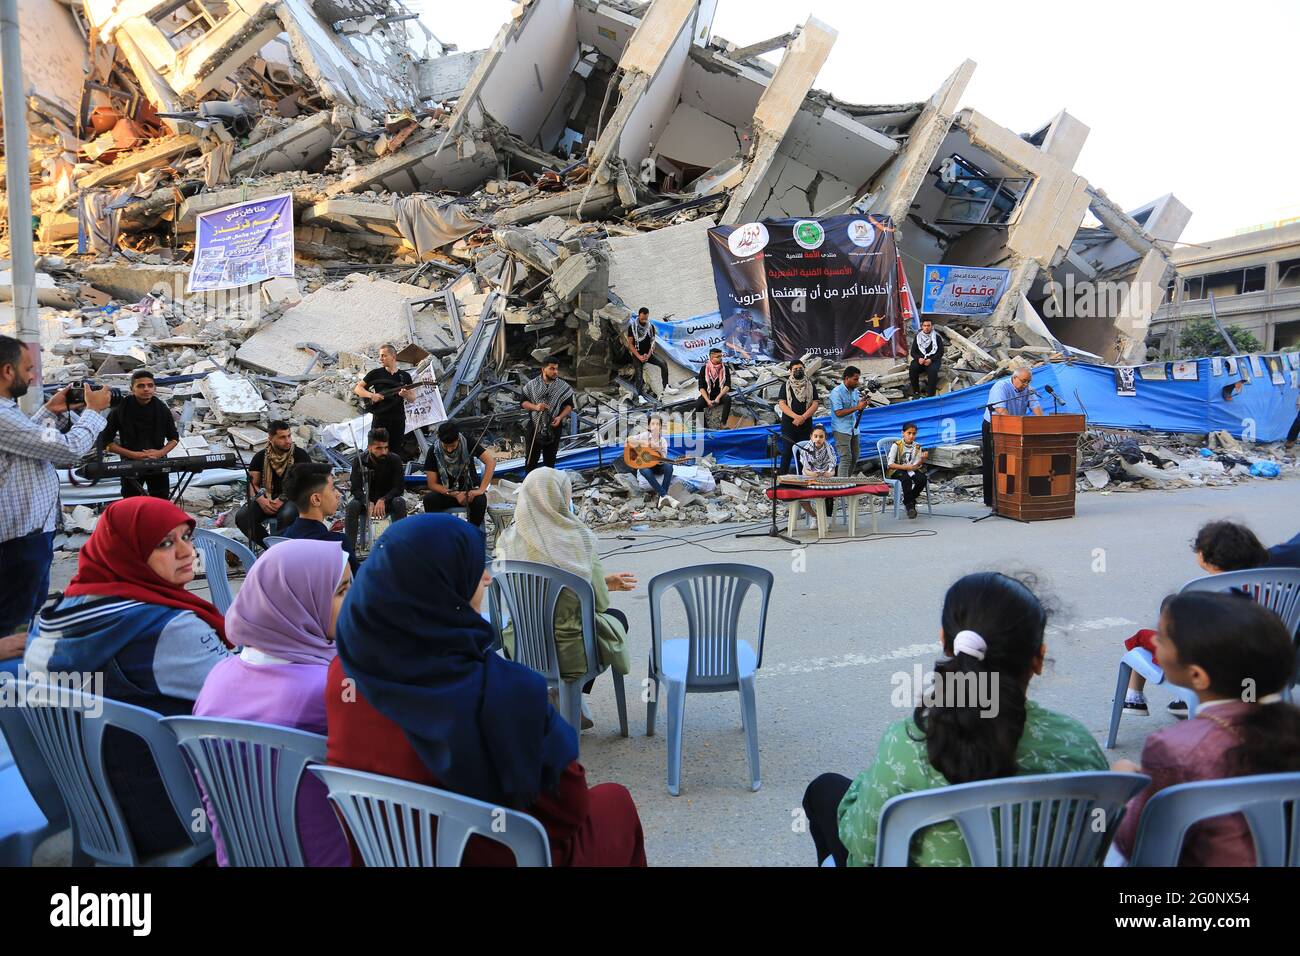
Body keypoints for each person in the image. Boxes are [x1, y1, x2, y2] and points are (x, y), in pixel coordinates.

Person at [325, 514, 647, 866]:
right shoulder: (505, 692)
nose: (487, 577)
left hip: (388, 854)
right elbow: (569, 812)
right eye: (474, 569)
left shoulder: (345, 673)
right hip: (499, 856)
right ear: (445, 589)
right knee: (614, 802)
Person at [802, 572, 1107, 867]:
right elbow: (1100, 841)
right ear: (1038, 658)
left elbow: (862, 843)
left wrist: (863, 786)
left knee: (825, 790)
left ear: (946, 644)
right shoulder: (1077, 747)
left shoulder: (907, 746)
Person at [24, 498, 231, 858]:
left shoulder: (51, 621)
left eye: (186, 537)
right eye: (165, 543)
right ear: (127, 552)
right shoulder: (167, 628)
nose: (187, 553)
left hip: (95, 812)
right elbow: (243, 705)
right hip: (174, 814)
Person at [1110, 592, 1300, 866]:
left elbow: (1133, 843)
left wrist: (1126, 789)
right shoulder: (1285, 728)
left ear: (1197, 676)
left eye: (1162, 638)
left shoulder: (1172, 746)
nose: (1154, 641)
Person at [194, 539, 352, 867]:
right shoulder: (328, 687)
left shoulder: (219, 676)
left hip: (241, 857)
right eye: (341, 591)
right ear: (298, 602)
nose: (354, 601)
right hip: (326, 855)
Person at [0, 335, 112, 673]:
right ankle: (12, 709)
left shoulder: (8, 414)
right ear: (7, 371)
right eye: (28, 369)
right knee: (12, 633)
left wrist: (52, 412)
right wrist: (94, 413)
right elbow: (67, 450)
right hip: (17, 545)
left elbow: (39, 444)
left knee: (19, 623)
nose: (33, 377)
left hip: (26, 539)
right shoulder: (2, 416)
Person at [496, 468, 633, 730]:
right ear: (560, 497)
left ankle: (557, 697)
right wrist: (603, 585)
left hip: (521, 648)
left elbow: (529, 589)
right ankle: (569, 695)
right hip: (569, 654)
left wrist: (602, 582)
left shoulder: (506, 541)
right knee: (616, 618)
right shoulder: (577, 539)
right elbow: (600, 605)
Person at [1122, 520, 1270, 717]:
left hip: (1208, 669)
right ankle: (1182, 700)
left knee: (1143, 638)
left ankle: (1135, 697)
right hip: (1261, 662)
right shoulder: (1272, 587)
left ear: (1206, 557)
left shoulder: (1203, 593)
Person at [99, 368, 179, 498]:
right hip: (130, 463)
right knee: (131, 499)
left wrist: (160, 453)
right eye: (141, 386)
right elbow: (105, 441)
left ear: (155, 388)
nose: (146, 389)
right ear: (132, 389)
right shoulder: (120, 409)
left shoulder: (162, 409)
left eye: (150, 385)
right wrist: (133, 455)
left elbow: (174, 438)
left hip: (158, 462)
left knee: (161, 498)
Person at [234, 420, 310, 550]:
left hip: (293, 498)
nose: (288, 441)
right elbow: (252, 484)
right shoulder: (260, 457)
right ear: (271, 438)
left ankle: (284, 552)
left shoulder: (300, 455)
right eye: (282, 437)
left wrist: (282, 499)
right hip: (268, 497)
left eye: (289, 436)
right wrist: (261, 500)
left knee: (286, 515)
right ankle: (271, 548)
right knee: (243, 517)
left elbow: (305, 485)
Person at [982, 366, 1042, 507]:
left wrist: (1041, 422)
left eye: (1028, 381)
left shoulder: (1027, 389)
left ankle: (1010, 496)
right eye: (1024, 381)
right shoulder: (1000, 387)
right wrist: (1015, 426)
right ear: (1014, 378)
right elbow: (1001, 409)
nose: (1026, 384)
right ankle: (991, 499)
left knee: (1012, 461)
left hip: (1015, 427)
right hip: (995, 426)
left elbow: (1035, 406)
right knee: (994, 461)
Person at [281, 464, 358, 571]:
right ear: (316, 499)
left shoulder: (283, 538)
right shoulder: (337, 543)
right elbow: (358, 581)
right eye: (332, 489)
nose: (338, 494)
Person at [344, 427, 408, 553]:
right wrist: (366, 501)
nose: (383, 452)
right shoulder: (360, 461)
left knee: (399, 502)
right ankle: (349, 551)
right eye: (378, 448)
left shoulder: (394, 460)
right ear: (370, 448)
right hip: (368, 501)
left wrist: (384, 499)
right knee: (352, 506)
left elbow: (398, 488)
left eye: (385, 447)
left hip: (388, 500)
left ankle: (403, 546)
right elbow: (356, 489)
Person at [423, 421, 495, 528]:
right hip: (447, 493)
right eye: (446, 446)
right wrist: (455, 494)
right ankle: (439, 534)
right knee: (429, 500)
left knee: (480, 500)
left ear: (457, 439)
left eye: (452, 446)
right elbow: (432, 484)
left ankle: (472, 533)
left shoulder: (467, 442)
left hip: (469, 492)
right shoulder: (434, 451)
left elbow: (490, 461)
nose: (449, 449)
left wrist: (481, 489)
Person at [352, 345, 415, 461]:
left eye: (384, 356)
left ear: (393, 356)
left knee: (395, 452)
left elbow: (412, 398)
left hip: (398, 420)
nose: (381, 359)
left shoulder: (405, 376)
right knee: (375, 450)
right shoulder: (375, 374)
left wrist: (406, 395)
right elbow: (358, 389)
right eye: (380, 356)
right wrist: (372, 395)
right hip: (380, 419)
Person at [521, 356, 575, 472]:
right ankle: (530, 485)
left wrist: (560, 417)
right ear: (543, 369)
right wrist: (535, 407)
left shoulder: (562, 386)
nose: (555, 372)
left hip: (554, 426)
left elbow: (569, 405)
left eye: (556, 369)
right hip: (535, 426)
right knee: (531, 460)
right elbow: (523, 402)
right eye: (551, 369)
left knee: (550, 460)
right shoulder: (532, 385)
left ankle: (548, 485)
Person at [616, 414, 675, 501]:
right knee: (645, 470)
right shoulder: (644, 435)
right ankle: (664, 496)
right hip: (645, 466)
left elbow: (662, 460)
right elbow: (628, 440)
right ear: (649, 426)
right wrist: (645, 444)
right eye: (653, 424)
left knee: (669, 467)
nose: (655, 426)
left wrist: (658, 451)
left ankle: (663, 495)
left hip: (657, 466)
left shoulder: (663, 442)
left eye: (658, 424)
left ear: (661, 427)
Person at [778, 358, 819, 476]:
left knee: (804, 453)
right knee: (786, 452)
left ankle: (802, 478)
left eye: (800, 368)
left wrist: (803, 417)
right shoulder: (785, 385)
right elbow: (782, 404)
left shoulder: (810, 385)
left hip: (805, 425)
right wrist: (796, 417)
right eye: (795, 369)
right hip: (789, 425)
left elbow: (815, 403)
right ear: (790, 371)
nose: (798, 370)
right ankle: (783, 479)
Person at [828, 366, 868, 478]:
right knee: (845, 457)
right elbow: (838, 413)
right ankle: (841, 486)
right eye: (855, 379)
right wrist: (857, 407)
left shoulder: (854, 391)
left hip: (854, 429)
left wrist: (862, 405)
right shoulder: (836, 392)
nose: (858, 382)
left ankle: (847, 482)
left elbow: (857, 407)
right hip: (841, 429)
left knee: (855, 456)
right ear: (847, 378)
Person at [793, 424, 839, 518]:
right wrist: (813, 474)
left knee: (825, 494)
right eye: (816, 436)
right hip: (809, 478)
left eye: (821, 437)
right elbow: (805, 469)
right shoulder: (806, 449)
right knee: (801, 498)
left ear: (825, 437)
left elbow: (832, 470)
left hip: (825, 479)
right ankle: (815, 517)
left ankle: (823, 517)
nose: (818, 439)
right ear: (811, 436)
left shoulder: (829, 449)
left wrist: (828, 474)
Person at [886, 421, 928, 519]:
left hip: (911, 468)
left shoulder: (917, 446)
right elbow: (890, 464)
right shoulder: (896, 445)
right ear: (903, 433)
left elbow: (916, 465)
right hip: (897, 469)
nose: (911, 436)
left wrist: (922, 460)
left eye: (913, 434)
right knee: (906, 480)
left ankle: (908, 500)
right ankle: (910, 506)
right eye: (909, 433)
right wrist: (906, 468)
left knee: (922, 479)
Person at [625, 307, 669, 396]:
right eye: (642, 319)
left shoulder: (650, 326)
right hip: (637, 355)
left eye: (646, 319)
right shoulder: (632, 328)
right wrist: (639, 356)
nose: (644, 321)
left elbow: (653, 342)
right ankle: (640, 395)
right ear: (639, 316)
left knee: (663, 364)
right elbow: (630, 344)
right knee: (639, 374)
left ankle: (666, 387)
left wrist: (648, 355)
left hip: (648, 354)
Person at [694, 347, 732, 428]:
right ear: (711, 357)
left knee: (728, 399)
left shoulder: (725, 369)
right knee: (698, 404)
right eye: (718, 357)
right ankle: (704, 427)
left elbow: (727, 386)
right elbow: (701, 387)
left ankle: (723, 423)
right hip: (708, 395)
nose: (720, 358)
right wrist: (708, 401)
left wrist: (718, 397)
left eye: (721, 356)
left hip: (720, 395)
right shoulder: (704, 369)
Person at [908, 319, 945, 398]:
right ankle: (916, 392)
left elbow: (940, 352)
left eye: (928, 325)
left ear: (932, 327)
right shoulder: (918, 337)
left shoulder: (937, 338)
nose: (927, 327)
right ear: (922, 327)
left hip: (933, 360)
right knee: (913, 368)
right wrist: (919, 358)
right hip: (921, 360)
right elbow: (913, 352)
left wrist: (931, 360)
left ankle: (930, 395)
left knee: (933, 371)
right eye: (925, 326)